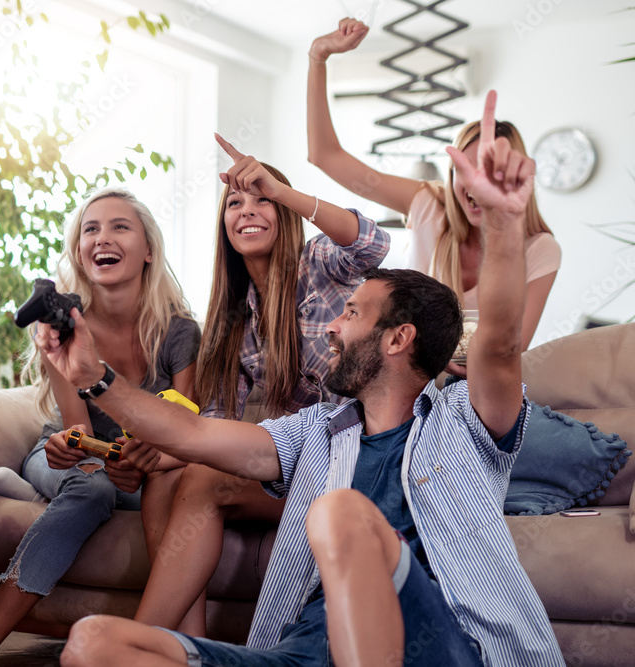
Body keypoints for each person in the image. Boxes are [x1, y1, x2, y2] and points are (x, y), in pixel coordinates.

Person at [47, 92, 565, 666]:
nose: (331, 329)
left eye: (351, 314)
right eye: (340, 311)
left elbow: (497, 341)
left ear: (398, 339)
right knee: (94, 642)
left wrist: (503, 220)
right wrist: (95, 378)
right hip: (302, 651)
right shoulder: (314, 433)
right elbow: (196, 435)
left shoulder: (466, 423)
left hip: (444, 645)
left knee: (338, 512)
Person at [135, 134, 390, 636]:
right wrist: (159, 451)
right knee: (165, 477)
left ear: (284, 212)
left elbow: (372, 241)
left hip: (356, 462)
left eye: (263, 199)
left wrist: (283, 188)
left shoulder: (320, 264)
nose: (247, 210)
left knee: (202, 479)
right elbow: (215, 422)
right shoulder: (234, 316)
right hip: (298, 463)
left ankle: (137, 647)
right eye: (235, 202)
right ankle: (189, 646)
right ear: (224, 224)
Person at [0, 188, 201, 667]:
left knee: (115, 485)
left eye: (119, 227)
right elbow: (77, 427)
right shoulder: (60, 325)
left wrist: (144, 464)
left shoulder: (179, 332)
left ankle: (37, 497)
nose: (101, 238)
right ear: (78, 251)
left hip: (141, 469)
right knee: (90, 487)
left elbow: (184, 425)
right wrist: (76, 450)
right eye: (91, 229)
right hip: (73, 455)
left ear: (149, 250)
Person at [307, 18, 560, 356]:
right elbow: (325, 156)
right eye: (464, 170)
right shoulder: (429, 204)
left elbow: (510, 348)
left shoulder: (539, 248)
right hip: (410, 377)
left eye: (488, 171)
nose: (475, 184)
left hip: (478, 385)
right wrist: (317, 57)